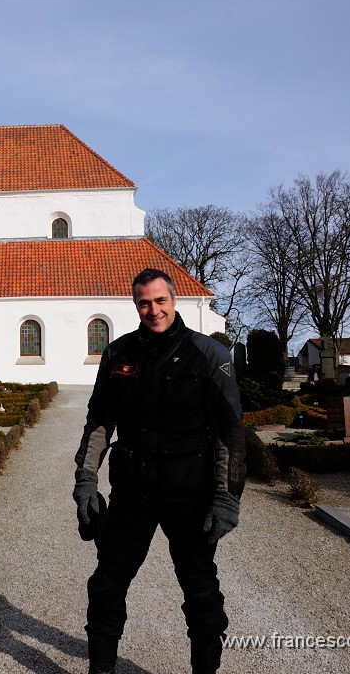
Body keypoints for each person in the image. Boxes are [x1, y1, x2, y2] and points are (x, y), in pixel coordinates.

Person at [73, 268, 245, 674]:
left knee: (201, 593)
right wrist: (85, 480)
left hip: (190, 494)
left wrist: (226, 497)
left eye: (160, 301)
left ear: (174, 299)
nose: (154, 310)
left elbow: (230, 432)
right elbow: (99, 422)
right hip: (133, 492)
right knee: (106, 585)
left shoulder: (209, 355)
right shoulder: (118, 354)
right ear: (136, 305)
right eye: (144, 303)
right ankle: (101, 669)